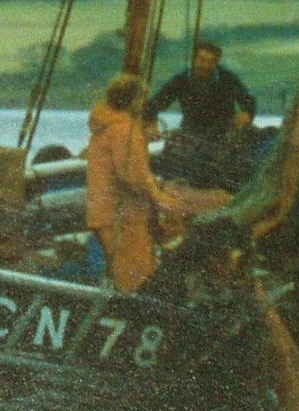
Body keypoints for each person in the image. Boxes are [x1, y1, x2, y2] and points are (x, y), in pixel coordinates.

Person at [84, 73, 231, 293]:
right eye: (141, 98)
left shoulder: (106, 125)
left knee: (125, 275)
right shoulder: (125, 129)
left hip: (105, 212)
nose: (144, 103)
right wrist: (163, 200)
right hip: (123, 217)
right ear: (132, 99)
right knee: (136, 282)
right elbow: (134, 179)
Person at [146, 41, 256, 190]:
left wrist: (247, 113)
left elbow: (247, 100)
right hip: (191, 131)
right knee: (176, 164)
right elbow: (155, 103)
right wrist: (152, 124)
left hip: (223, 131)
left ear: (217, 62)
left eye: (210, 61)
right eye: (202, 60)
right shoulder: (182, 79)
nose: (205, 65)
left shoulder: (227, 78)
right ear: (194, 59)